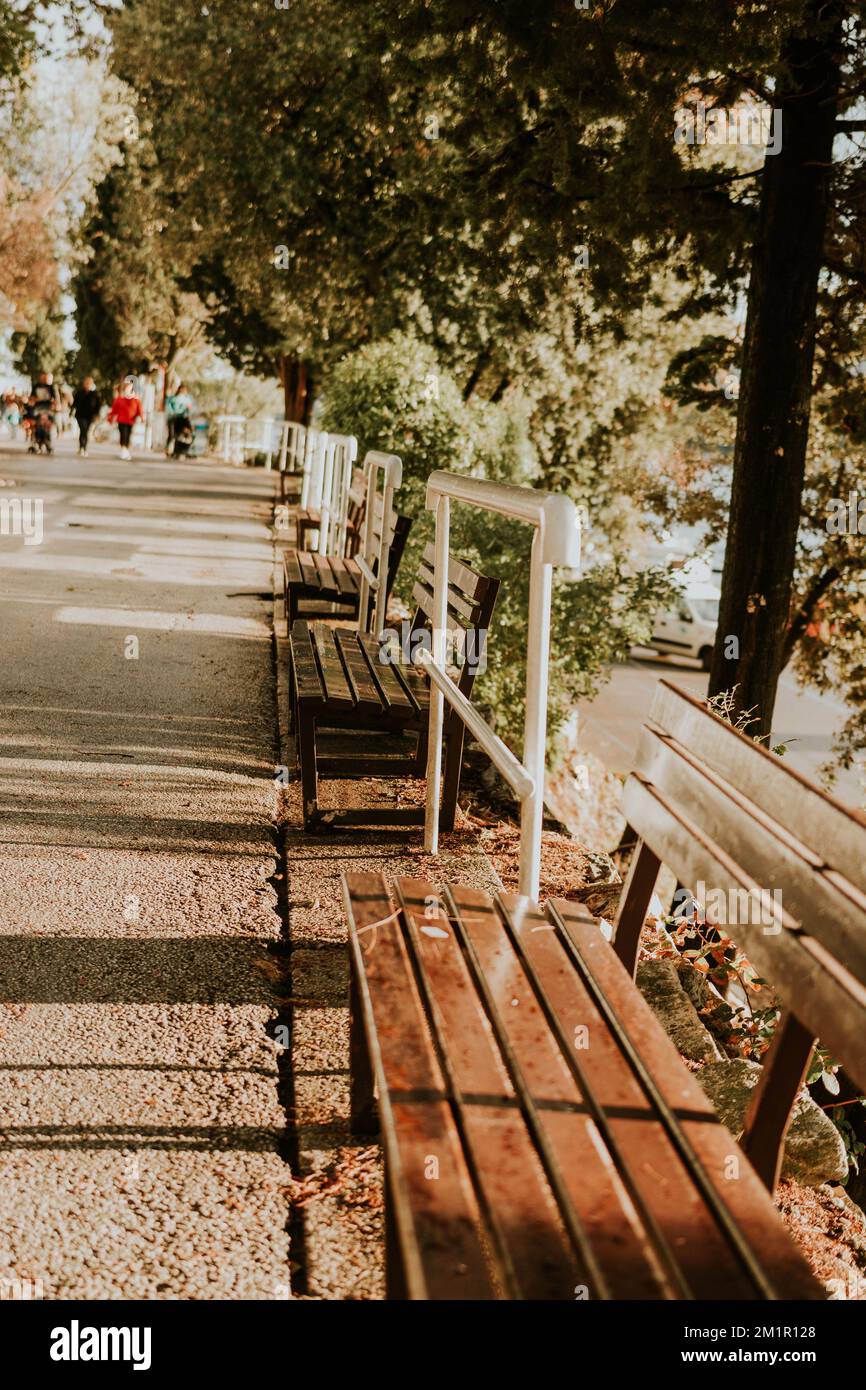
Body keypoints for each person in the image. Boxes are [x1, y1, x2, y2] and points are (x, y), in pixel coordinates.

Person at [107, 376, 144, 460]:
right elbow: (114, 410)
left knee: (128, 435)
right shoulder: (120, 399)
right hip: (121, 420)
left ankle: (126, 449)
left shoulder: (135, 399)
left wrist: (141, 417)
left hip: (131, 421)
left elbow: (139, 409)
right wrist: (110, 417)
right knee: (123, 434)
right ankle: (123, 449)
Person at [72, 377, 101, 457]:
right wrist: (71, 413)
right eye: (86, 383)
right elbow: (74, 404)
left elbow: (98, 405)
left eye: (89, 383)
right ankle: (82, 447)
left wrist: (97, 415)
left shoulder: (95, 394)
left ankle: (83, 447)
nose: (87, 385)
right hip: (80, 415)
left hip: (90, 416)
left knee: (85, 431)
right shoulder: (79, 392)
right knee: (83, 429)